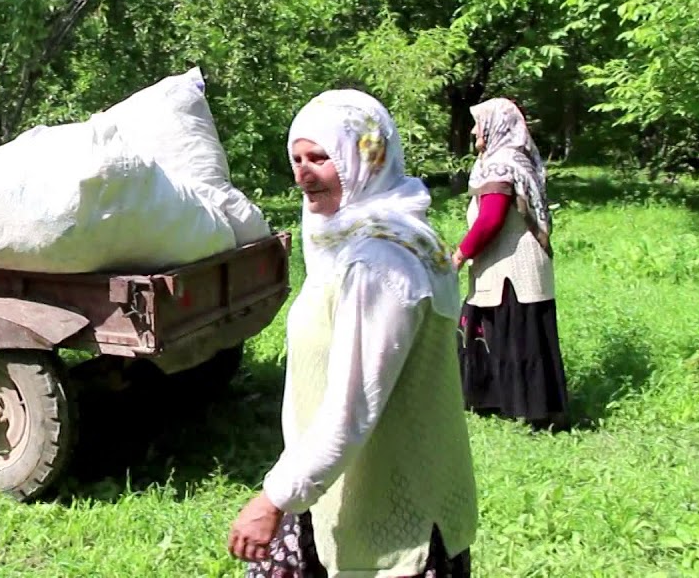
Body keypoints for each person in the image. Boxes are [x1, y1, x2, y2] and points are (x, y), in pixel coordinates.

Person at [229, 90, 477, 578]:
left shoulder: (380, 261)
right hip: (335, 490)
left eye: (319, 157)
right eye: (296, 158)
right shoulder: (378, 237)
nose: (302, 172)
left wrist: (273, 501)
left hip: (386, 510)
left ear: (365, 157)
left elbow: (352, 407)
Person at [451, 98, 568, 431]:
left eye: (479, 123)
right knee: (504, 331)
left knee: (512, 334)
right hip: (519, 266)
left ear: (495, 126)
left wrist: (460, 254)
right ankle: (506, 403)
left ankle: (527, 411)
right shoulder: (518, 159)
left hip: (510, 268)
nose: (474, 129)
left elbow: (491, 218)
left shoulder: (501, 163)